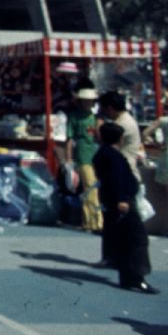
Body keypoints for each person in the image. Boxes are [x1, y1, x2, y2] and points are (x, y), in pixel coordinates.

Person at [93, 122, 158, 294]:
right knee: (137, 238)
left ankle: (128, 276)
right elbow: (116, 179)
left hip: (114, 200)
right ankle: (137, 278)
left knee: (125, 239)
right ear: (119, 138)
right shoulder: (113, 156)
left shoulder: (103, 154)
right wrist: (122, 199)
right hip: (122, 201)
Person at [66, 85, 102, 237]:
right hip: (83, 153)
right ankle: (93, 221)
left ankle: (93, 220)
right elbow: (69, 139)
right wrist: (69, 159)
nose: (88, 103)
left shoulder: (96, 118)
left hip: (95, 153)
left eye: (90, 101)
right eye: (85, 100)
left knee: (94, 188)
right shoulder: (75, 117)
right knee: (90, 188)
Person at [99, 91, 145, 171]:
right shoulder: (125, 119)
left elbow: (102, 140)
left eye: (103, 109)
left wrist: (99, 119)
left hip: (123, 170)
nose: (104, 113)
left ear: (110, 108)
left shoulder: (122, 124)